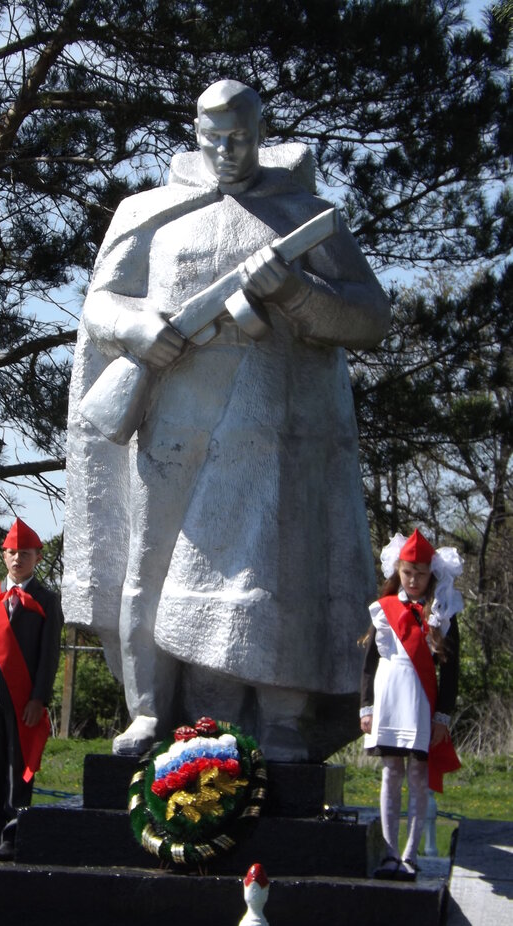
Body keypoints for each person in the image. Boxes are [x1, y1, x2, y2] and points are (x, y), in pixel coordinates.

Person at [62, 79, 390, 761]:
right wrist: (138, 326)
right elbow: (101, 303)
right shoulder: (150, 211)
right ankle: (149, 713)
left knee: (277, 566)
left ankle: (281, 721)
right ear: (195, 135)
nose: (228, 152)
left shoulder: (303, 214)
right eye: (214, 139)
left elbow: (368, 316)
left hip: (272, 426)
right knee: (147, 563)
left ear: (261, 133)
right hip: (170, 413)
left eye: (241, 138)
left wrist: (296, 291)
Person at [360, 529, 463, 881]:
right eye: (408, 572)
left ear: (430, 573)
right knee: (391, 774)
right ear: (398, 572)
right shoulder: (384, 609)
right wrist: (366, 707)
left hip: (422, 704)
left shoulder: (444, 612)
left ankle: (410, 855)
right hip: (388, 702)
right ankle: (389, 853)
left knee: (418, 776)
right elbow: (370, 663)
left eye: (420, 573)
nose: (414, 579)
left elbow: (451, 672)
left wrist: (442, 717)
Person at [0, 517, 62, 860]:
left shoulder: (48, 600)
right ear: (3, 556)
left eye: (24, 553)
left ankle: (12, 835)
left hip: (25, 699)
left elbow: (49, 656)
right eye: (11, 553)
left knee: (18, 768)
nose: (17, 558)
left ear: (38, 557)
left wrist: (39, 698)